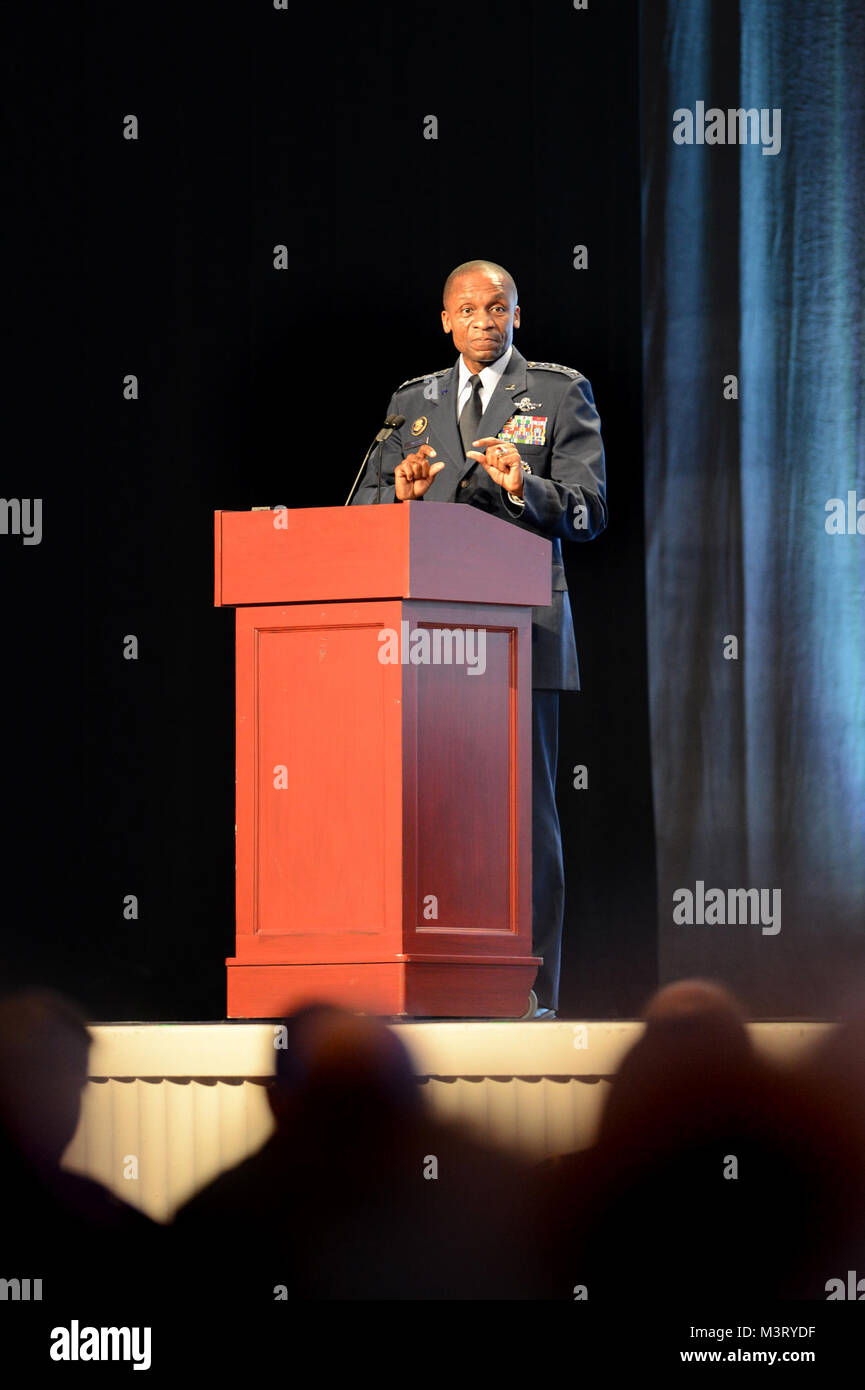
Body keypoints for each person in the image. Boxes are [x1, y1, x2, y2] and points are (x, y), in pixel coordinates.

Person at [351, 259, 608, 1017]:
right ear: (445, 321)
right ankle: (439, 985)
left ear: (517, 315)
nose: (483, 321)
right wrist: (396, 501)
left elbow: (590, 511)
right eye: (467, 310)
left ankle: (530, 996)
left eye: (497, 308)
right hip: (426, 641)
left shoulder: (557, 392)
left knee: (524, 823)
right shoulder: (412, 403)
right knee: (432, 817)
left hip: (520, 635)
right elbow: (362, 512)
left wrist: (524, 488)